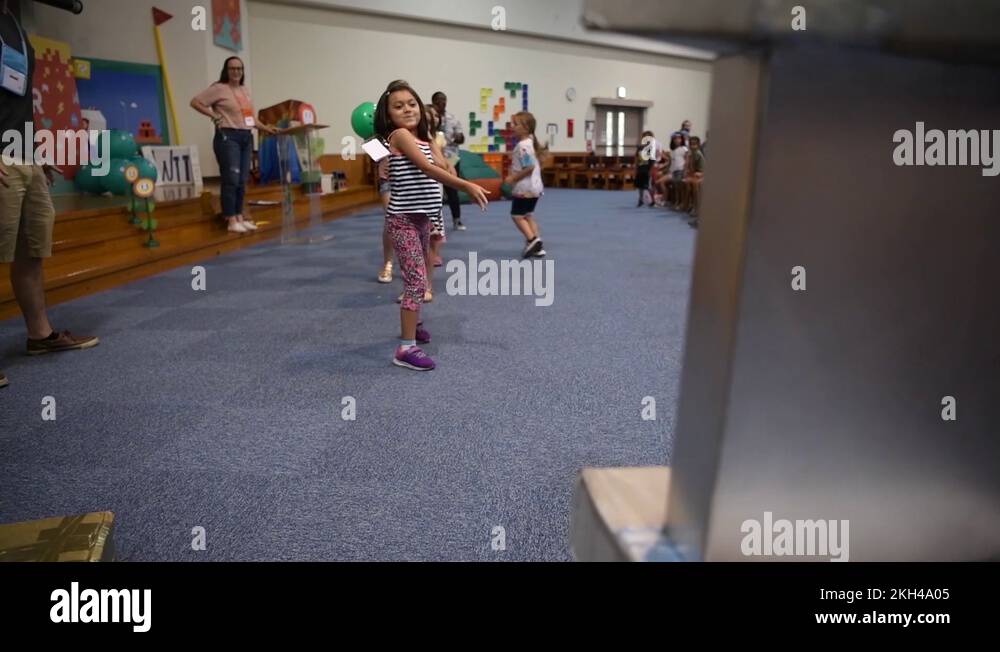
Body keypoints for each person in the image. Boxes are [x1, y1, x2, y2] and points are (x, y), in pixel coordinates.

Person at [0, 0, 99, 390]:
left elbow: (20, 100)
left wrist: (38, 152)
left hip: (24, 154)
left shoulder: (13, 23)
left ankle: (39, 336)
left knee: (31, 251)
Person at [375, 80, 488, 371]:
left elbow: (439, 165)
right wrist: (466, 185)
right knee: (415, 282)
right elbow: (428, 170)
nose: (407, 109)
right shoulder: (399, 136)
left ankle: (417, 324)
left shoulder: (423, 141)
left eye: (412, 103)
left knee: (421, 275)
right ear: (389, 115)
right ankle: (405, 348)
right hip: (403, 221)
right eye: (398, 106)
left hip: (422, 218)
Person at [190, 56, 278, 234]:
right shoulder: (219, 88)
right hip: (227, 137)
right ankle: (230, 218)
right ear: (226, 70)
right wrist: (213, 115)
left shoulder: (244, 91)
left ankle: (239, 215)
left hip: (246, 137)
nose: (236, 72)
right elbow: (195, 102)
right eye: (232, 69)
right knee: (231, 179)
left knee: (242, 180)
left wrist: (265, 128)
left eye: (239, 68)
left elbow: (250, 118)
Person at [504, 111, 547, 258]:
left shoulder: (523, 145)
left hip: (525, 188)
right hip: (535, 188)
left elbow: (529, 168)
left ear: (526, 128)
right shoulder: (530, 143)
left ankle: (532, 240)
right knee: (528, 215)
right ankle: (538, 245)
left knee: (516, 216)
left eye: (516, 124)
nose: (512, 127)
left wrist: (513, 178)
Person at [431, 91, 466, 231]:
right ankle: (434, 223)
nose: (442, 103)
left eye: (444, 100)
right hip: (434, 159)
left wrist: (456, 138)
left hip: (451, 159)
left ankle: (457, 220)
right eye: (439, 100)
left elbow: (462, 138)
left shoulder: (453, 118)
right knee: (434, 192)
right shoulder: (430, 118)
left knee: (452, 191)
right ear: (433, 102)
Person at [634, 130, 656, 207]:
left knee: (648, 186)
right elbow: (636, 158)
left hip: (647, 169)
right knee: (640, 186)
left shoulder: (651, 149)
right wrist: (636, 168)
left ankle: (653, 200)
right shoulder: (639, 148)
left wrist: (650, 170)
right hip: (640, 169)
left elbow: (653, 161)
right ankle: (641, 199)